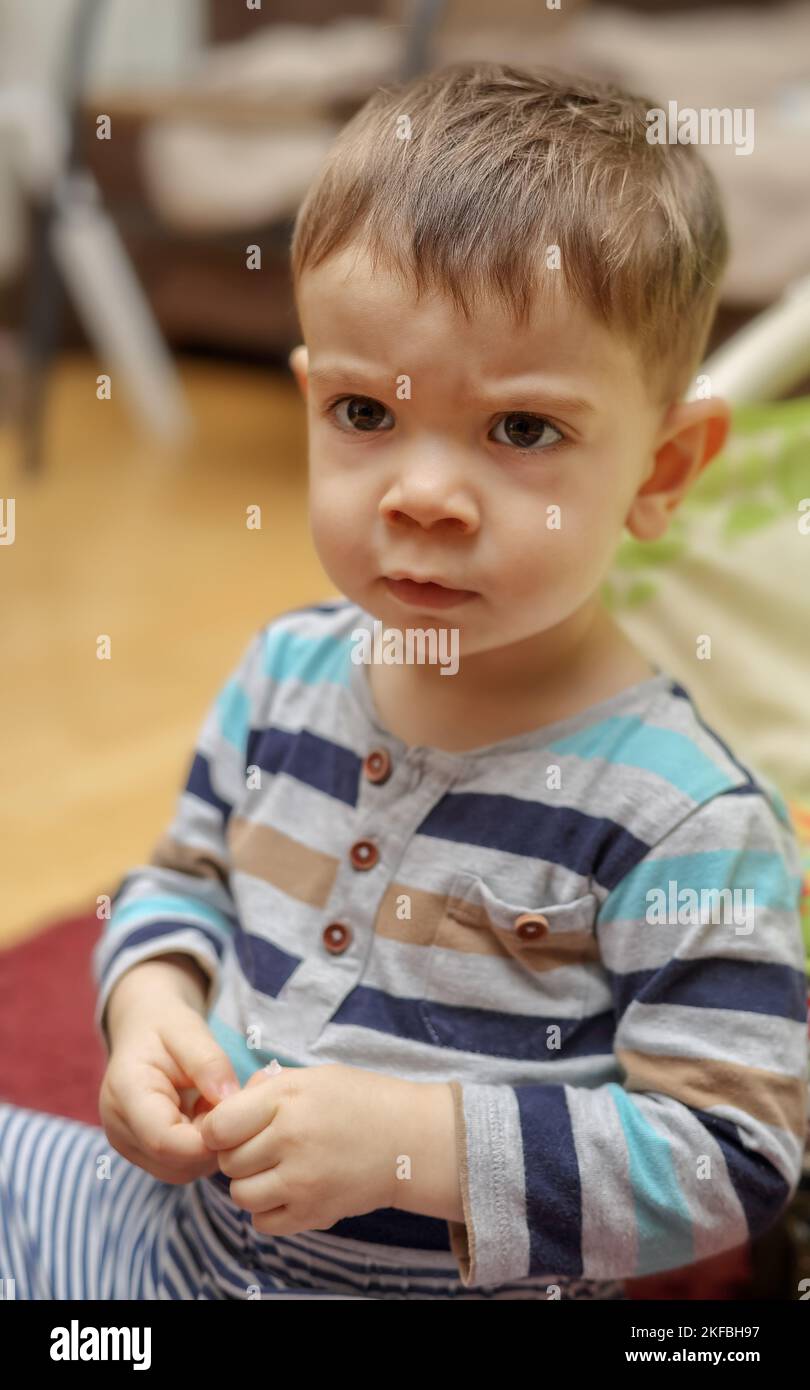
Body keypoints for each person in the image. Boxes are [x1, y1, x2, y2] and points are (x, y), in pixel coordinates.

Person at [1, 60, 806, 1301]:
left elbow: (733, 1158)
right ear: (311, 396)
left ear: (665, 467)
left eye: (521, 430)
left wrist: (418, 1149)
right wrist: (151, 1001)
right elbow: (184, 879)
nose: (420, 495)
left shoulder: (686, 819)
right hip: (172, 1243)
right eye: (368, 413)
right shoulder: (286, 671)